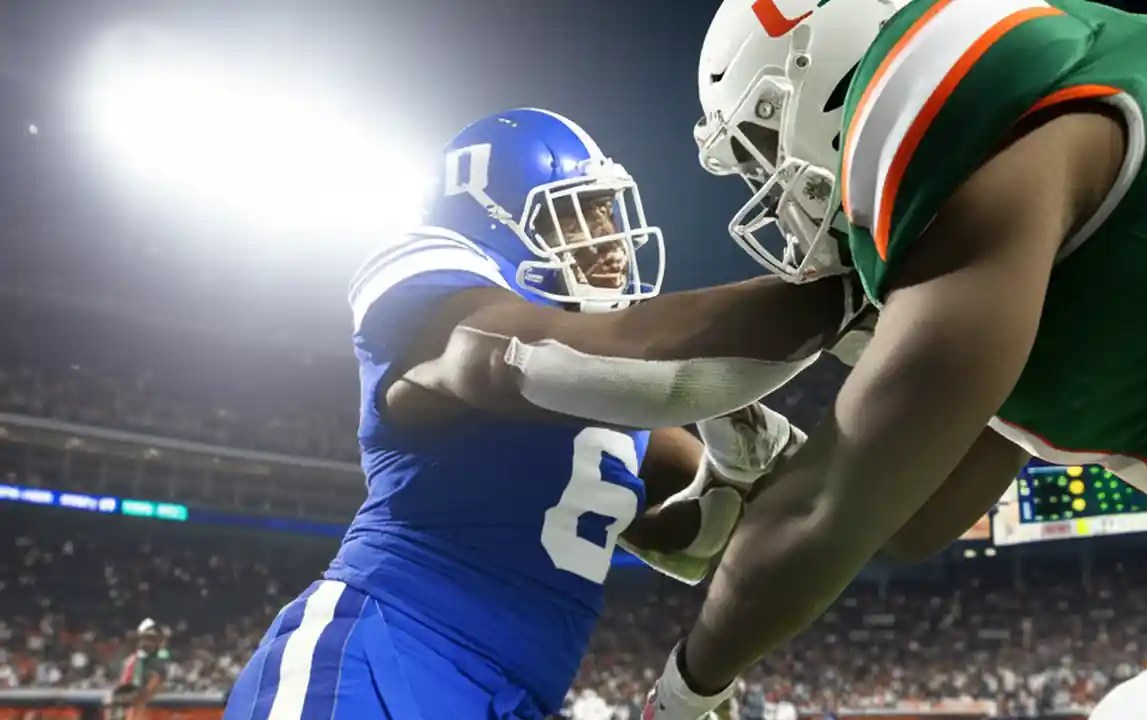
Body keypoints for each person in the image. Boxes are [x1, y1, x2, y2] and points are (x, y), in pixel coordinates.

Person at [643, 1, 1147, 718]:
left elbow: (821, 514)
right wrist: (780, 459)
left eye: (762, 139)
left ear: (822, 78)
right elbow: (914, 516)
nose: (774, 191)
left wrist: (683, 692)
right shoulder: (1038, 254)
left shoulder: (992, 153)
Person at [224, 107, 860, 720]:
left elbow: (697, 544)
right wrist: (853, 284)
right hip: (385, 660)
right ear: (493, 224)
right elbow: (548, 362)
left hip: (518, 696)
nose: (611, 242)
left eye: (608, 209)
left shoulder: (618, 407)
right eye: (577, 214)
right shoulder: (446, 318)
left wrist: (737, 468)